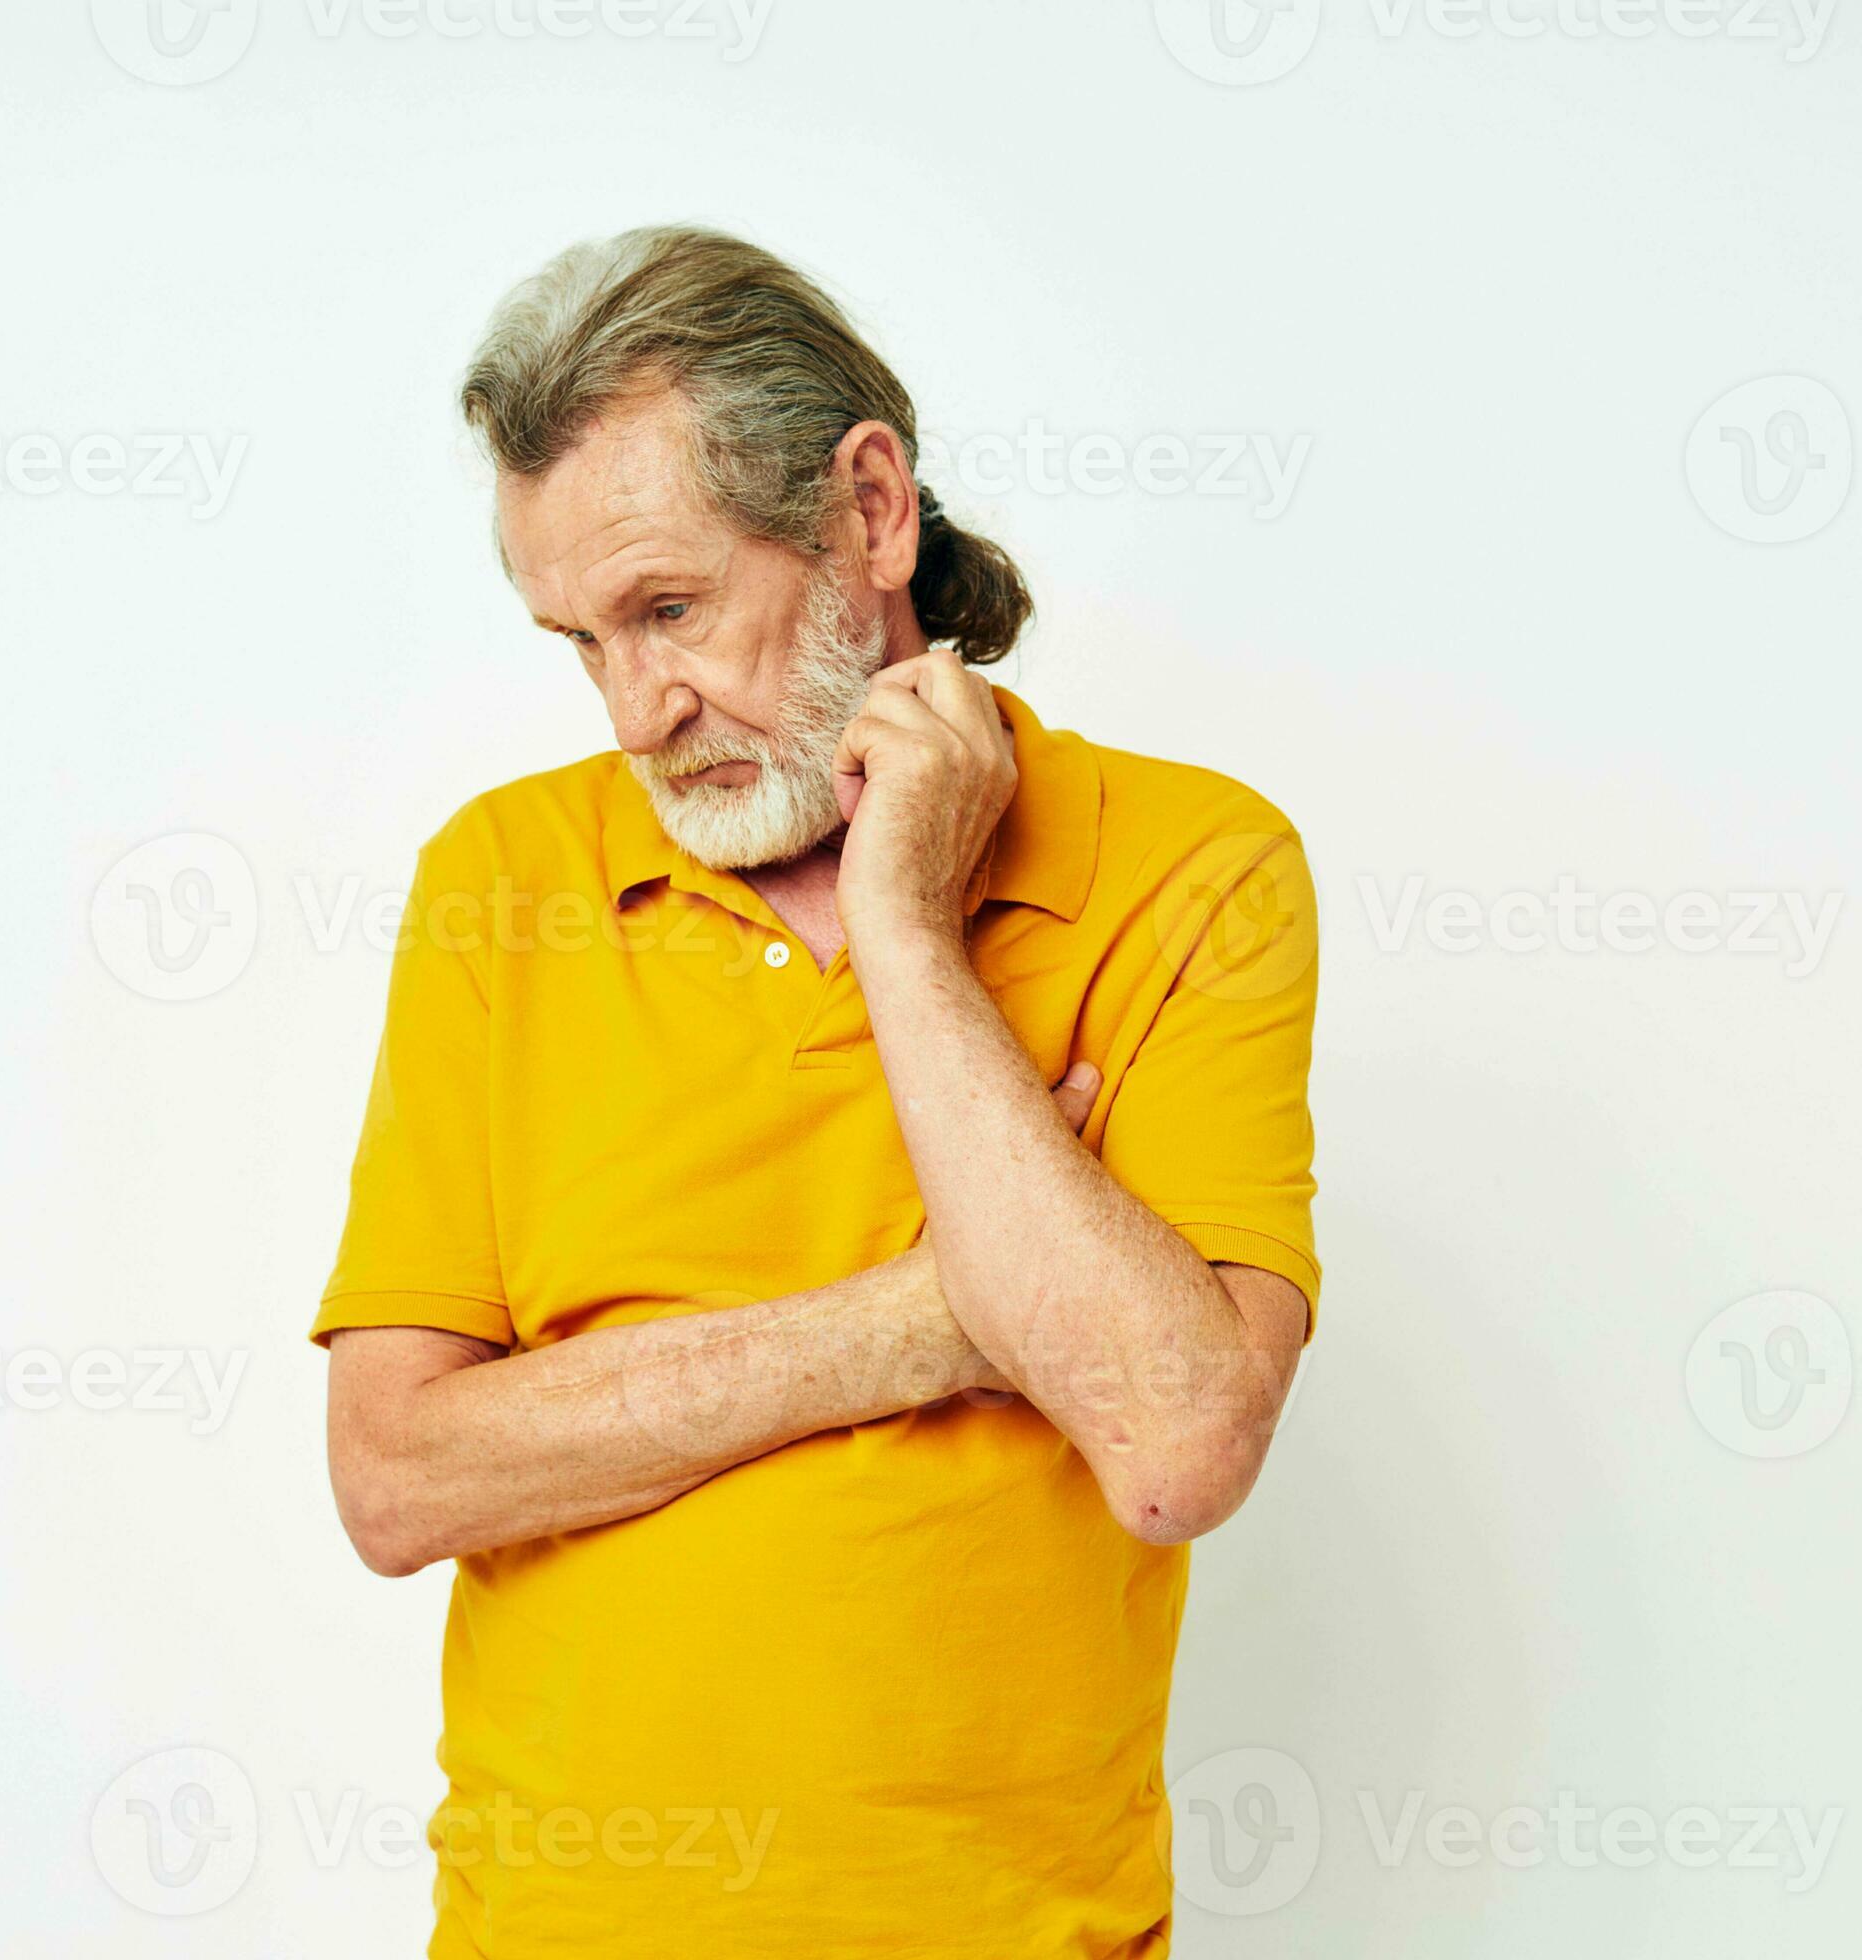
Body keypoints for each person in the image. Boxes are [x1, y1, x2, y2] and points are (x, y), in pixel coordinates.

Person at [315, 224, 1321, 1957]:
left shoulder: (1197, 869)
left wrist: (906, 925)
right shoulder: (501, 880)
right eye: (581, 642)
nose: (639, 710)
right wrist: (944, 1318)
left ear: (868, 513)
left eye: (672, 609)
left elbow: (1169, 1444)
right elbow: (399, 1478)